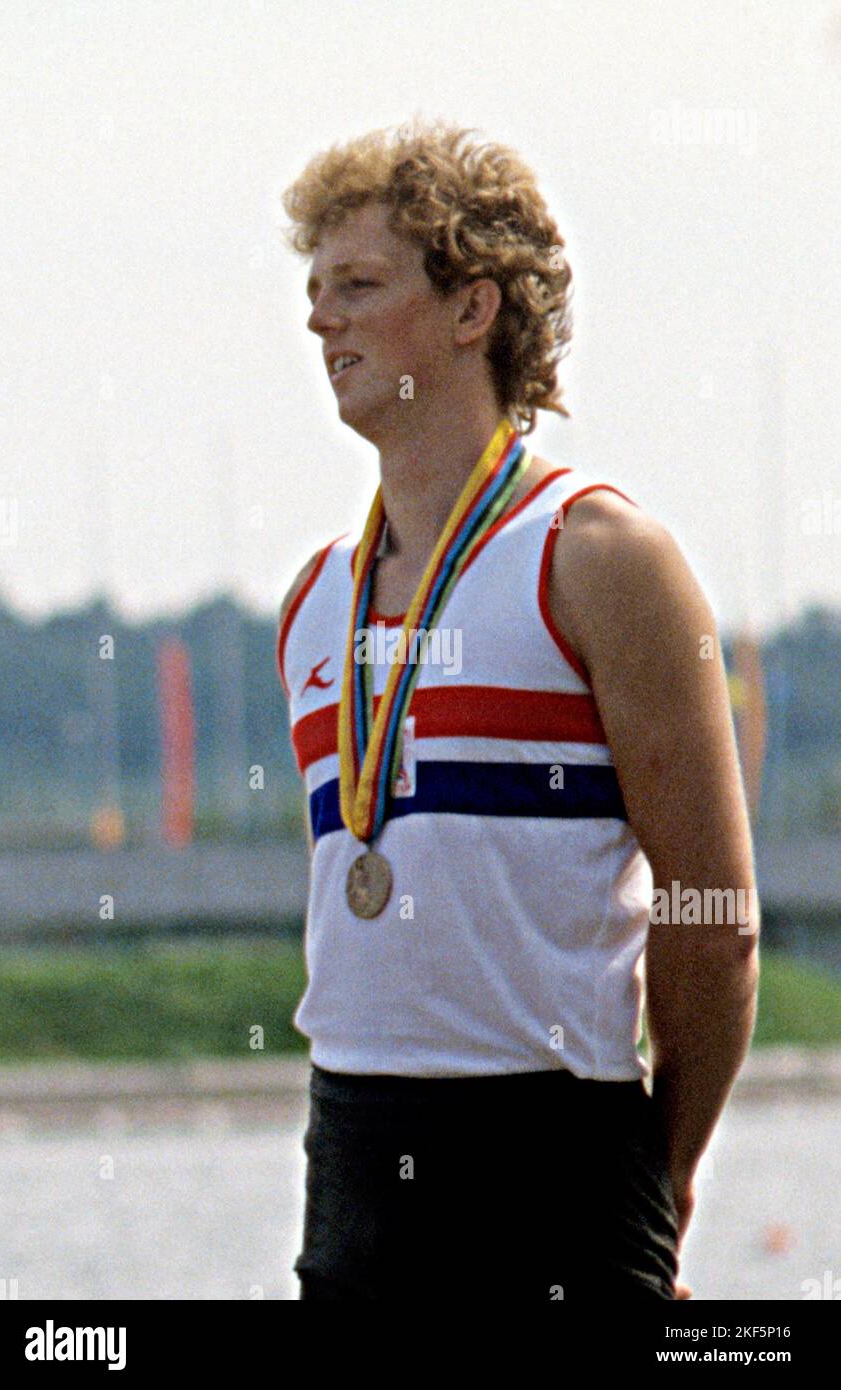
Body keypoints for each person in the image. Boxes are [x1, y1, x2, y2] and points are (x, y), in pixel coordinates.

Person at [275, 119, 759, 1301]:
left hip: (555, 1161)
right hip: (350, 1155)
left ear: (468, 308)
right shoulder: (312, 600)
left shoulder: (600, 557)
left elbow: (712, 914)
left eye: (358, 284)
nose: (318, 318)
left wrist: (665, 1170)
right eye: (313, 288)